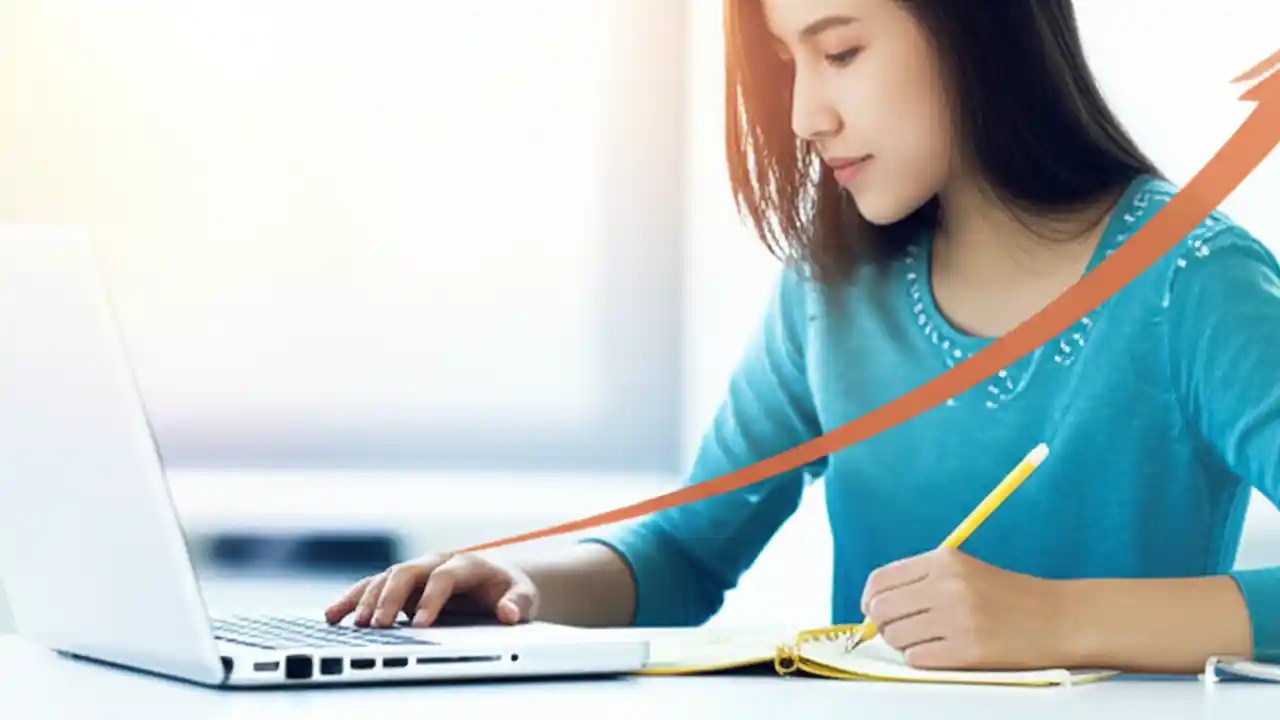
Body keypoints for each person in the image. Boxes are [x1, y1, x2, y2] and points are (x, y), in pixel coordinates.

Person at [324, 0, 1280, 674]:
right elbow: (685, 556)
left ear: (979, 27)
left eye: (842, 51)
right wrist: (516, 584)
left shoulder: (1194, 283)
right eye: (789, 60)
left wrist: (1057, 621)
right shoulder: (833, 288)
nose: (803, 116)